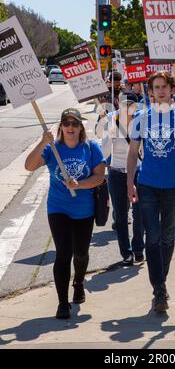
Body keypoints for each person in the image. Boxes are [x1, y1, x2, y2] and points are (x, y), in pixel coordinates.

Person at [127, 71, 175, 314]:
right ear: (150, 92)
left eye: (163, 87)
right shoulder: (141, 116)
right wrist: (130, 183)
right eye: (155, 87)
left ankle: (161, 282)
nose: (159, 91)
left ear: (171, 90)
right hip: (147, 185)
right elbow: (132, 152)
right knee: (153, 238)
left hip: (173, 186)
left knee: (168, 238)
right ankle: (159, 288)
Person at [24, 108, 106, 319]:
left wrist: (80, 185)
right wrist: (43, 142)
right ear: (61, 126)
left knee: (80, 253)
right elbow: (29, 166)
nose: (70, 128)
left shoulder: (90, 147)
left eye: (75, 124)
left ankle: (78, 282)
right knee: (63, 253)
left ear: (81, 127)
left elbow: (99, 177)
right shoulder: (53, 149)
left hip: (84, 210)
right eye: (66, 124)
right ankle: (62, 302)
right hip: (58, 208)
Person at [97, 92, 144, 265]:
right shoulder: (111, 122)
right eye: (124, 104)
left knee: (139, 214)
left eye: (131, 104)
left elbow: (145, 152)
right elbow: (105, 153)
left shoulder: (141, 123)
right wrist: (109, 134)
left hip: (138, 173)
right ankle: (127, 253)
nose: (127, 107)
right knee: (121, 216)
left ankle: (139, 248)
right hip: (116, 173)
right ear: (118, 104)